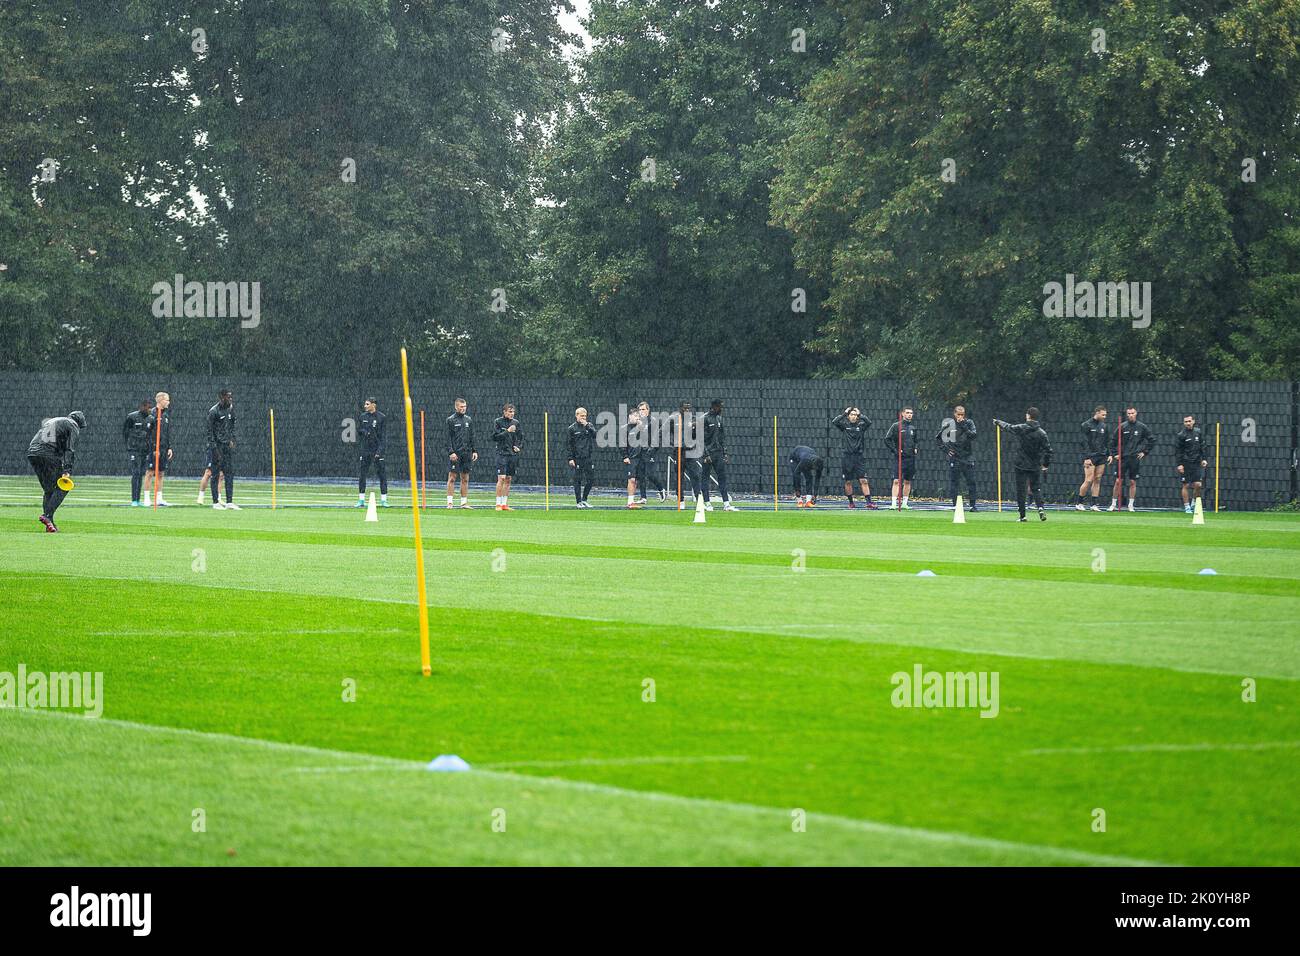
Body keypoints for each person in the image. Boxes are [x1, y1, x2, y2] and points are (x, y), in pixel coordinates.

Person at [28, 410, 86, 532]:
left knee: (49, 489)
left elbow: (45, 440)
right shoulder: (73, 425)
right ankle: (47, 516)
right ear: (79, 422)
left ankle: (50, 524)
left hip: (33, 453)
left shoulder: (53, 421)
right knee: (64, 486)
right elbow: (69, 449)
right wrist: (67, 470)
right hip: (48, 454)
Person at [994, 408, 1053, 522]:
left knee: (1021, 490)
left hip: (1021, 464)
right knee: (1036, 488)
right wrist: (1045, 464)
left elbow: (1009, 427)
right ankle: (1040, 508)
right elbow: (1049, 450)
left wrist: (998, 422)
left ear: (1028, 416)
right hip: (1035, 464)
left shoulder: (1022, 428)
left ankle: (1022, 516)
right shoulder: (1042, 433)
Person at [1108, 405, 1155, 512]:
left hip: (1134, 458)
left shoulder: (1142, 427)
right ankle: (1113, 504)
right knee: (1118, 481)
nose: (1130, 415)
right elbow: (1112, 442)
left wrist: (1144, 452)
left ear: (1136, 413)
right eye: (1128, 414)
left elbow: (1152, 440)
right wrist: (1115, 454)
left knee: (1133, 482)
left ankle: (1131, 505)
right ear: (1126, 414)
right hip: (1122, 458)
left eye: (1132, 413)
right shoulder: (1122, 426)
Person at [831, 406, 877, 509]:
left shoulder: (861, 426)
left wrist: (860, 414)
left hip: (859, 457)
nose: (853, 417)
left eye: (855, 415)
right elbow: (835, 421)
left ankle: (869, 502)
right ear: (848, 416)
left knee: (863, 480)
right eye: (851, 415)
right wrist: (844, 413)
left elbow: (869, 422)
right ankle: (851, 502)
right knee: (848, 481)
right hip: (847, 457)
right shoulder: (844, 426)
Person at [936, 405, 977, 511]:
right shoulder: (949, 425)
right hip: (955, 458)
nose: (960, 417)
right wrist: (946, 450)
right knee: (954, 482)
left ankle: (973, 505)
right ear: (954, 414)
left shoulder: (969, 423)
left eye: (962, 415)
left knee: (971, 481)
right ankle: (955, 505)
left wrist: (963, 425)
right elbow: (938, 438)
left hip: (968, 457)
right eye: (958, 415)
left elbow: (973, 435)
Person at [701, 399, 737, 511]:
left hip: (718, 453)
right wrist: (705, 454)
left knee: (722, 478)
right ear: (714, 407)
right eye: (720, 407)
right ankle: (707, 503)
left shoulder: (719, 418)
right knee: (705, 478)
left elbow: (722, 438)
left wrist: (725, 453)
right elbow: (700, 439)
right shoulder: (705, 419)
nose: (722, 409)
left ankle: (726, 504)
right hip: (708, 454)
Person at [206, 388, 239, 510]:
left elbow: (232, 426)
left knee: (229, 473)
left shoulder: (231, 409)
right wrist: (214, 448)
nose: (230, 399)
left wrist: (232, 439)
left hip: (227, 447)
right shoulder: (213, 411)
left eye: (231, 397)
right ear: (221, 397)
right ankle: (215, 502)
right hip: (217, 447)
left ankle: (229, 501)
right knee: (215, 474)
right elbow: (209, 432)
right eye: (228, 397)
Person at [1173, 414, 1210, 513]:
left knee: (1198, 485)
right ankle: (1187, 507)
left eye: (1189, 421)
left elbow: (1203, 446)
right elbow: (1178, 451)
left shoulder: (1198, 432)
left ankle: (1194, 503)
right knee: (1186, 485)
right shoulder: (1181, 435)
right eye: (1186, 422)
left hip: (1196, 462)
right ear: (1184, 423)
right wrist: (1179, 464)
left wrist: (1204, 459)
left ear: (1193, 421)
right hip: (1185, 463)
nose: (1188, 423)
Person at [1076, 406, 1110, 511]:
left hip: (1101, 456)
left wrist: (1109, 454)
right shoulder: (1086, 425)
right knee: (1089, 479)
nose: (1104, 417)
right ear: (1097, 413)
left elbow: (1106, 441)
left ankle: (1094, 504)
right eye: (1103, 414)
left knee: (1097, 479)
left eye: (1105, 415)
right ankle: (1079, 503)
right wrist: (1087, 457)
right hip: (1090, 457)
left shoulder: (1104, 426)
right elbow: (1083, 442)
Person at [356, 397, 389, 508]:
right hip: (365, 450)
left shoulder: (382, 417)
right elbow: (359, 430)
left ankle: (384, 500)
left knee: (382, 475)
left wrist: (380, 451)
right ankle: (361, 500)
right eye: (365, 404)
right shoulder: (362, 417)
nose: (365, 406)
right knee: (362, 475)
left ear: (373, 405)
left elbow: (383, 437)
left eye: (367, 404)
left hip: (377, 450)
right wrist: (364, 432)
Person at [445, 397, 477, 509]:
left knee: (465, 478)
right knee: (452, 477)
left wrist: (474, 450)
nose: (463, 409)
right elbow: (448, 438)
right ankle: (449, 502)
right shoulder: (450, 420)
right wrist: (451, 452)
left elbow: (472, 436)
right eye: (461, 407)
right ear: (456, 407)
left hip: (466, 453)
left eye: (465, 407)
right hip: (456, 453)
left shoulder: (469, 420)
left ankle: (464, 503)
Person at [884, 407, 918, 509]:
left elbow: (916, 440)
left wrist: (915, 448)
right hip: (899, 458)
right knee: (896, 480)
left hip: (910, 458)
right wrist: (895, 450)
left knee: (908, 481)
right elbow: (887, 439)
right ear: (902, 414)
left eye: (911, 413)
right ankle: (894, 504)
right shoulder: (896, 426)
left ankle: (905, 503)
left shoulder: (913, 428)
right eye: (907, 413)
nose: (909, 415)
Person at [492, 403, 522, 511]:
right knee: (502, 478)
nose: (512, 414)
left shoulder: (516, 423)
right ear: (504, 412)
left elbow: (520, 438)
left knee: (508, 479)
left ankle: (504, 504)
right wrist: (507, 431)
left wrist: (517, 446)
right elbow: (495, 437)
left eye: (513, 412)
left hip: (512, 455)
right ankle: (498, 504)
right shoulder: (498, 422)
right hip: (501, 454)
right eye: (509, 412)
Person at [145, 391, 173, 506]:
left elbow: (166, 433)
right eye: (167, 400)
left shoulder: (166, 414)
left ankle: (159, 498)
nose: (168, 402)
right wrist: (154, 448)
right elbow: (149, 434)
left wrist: (169, 447)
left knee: (161, 473)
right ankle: (147, 498)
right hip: (153, 449)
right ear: (160, 401)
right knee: (150, 472)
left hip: (164, 448)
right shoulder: (152, 414)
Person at [636, 401, 667, 503]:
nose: (641, 412)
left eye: (643, 409)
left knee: (650, 474)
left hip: (650, 451)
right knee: (640, 475)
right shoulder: (637, 422)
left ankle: (661, 489)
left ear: (648, 410)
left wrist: (653, 449)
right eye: (640, 410)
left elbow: (658, 437)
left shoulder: (654, 421)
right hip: (640, 451)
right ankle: (643, 497)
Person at [123, 398, 153, 506]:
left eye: (150, 408)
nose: (150, 410)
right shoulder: (132, 417)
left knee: (141, 473)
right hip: (134, 450)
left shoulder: (151, 419)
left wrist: (150, 448)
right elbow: (125, 432)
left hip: (144, 450)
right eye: (148, 407)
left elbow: (151, 435)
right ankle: (133, 500)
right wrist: (129, 445)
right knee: (135, 473)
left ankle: (138, 499)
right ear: (142, 407)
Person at [673, 402, 703, 508]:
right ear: (680, 408)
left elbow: (698, 436)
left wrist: (694, 427)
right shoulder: (675, 420)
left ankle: (699, 500)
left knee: (695, 475)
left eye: (688, 409)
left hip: (691, 452)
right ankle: (681, 501)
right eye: (685, 408)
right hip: (679, 452)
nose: (687, 410)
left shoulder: (694, 420)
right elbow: (665, 431)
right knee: (679, 477)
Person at [567, 407, 597, 508]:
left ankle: (584, 499)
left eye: (585, 416)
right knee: (578, 480)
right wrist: (570, 458)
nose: (583, 418)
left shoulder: (589, 426)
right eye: (581, 416)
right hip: (577, 458)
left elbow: (595, 435)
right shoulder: (572, 428)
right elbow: (569, 445)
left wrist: (587, 426)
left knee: (591, 479)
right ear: (577, 416)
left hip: (588, 457)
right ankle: (578, 501)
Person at [622, 407, 644, 509]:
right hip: (631, 458)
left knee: (636, 480)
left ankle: (632, 501)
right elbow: (622, 444)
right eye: (635, 416)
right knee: (631, 479)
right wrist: (625, 456)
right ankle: (629, 502)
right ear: (630, 416)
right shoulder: (625, 429)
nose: (637, 418)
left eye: (638, 416)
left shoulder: (641, 428)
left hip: (640, 458)